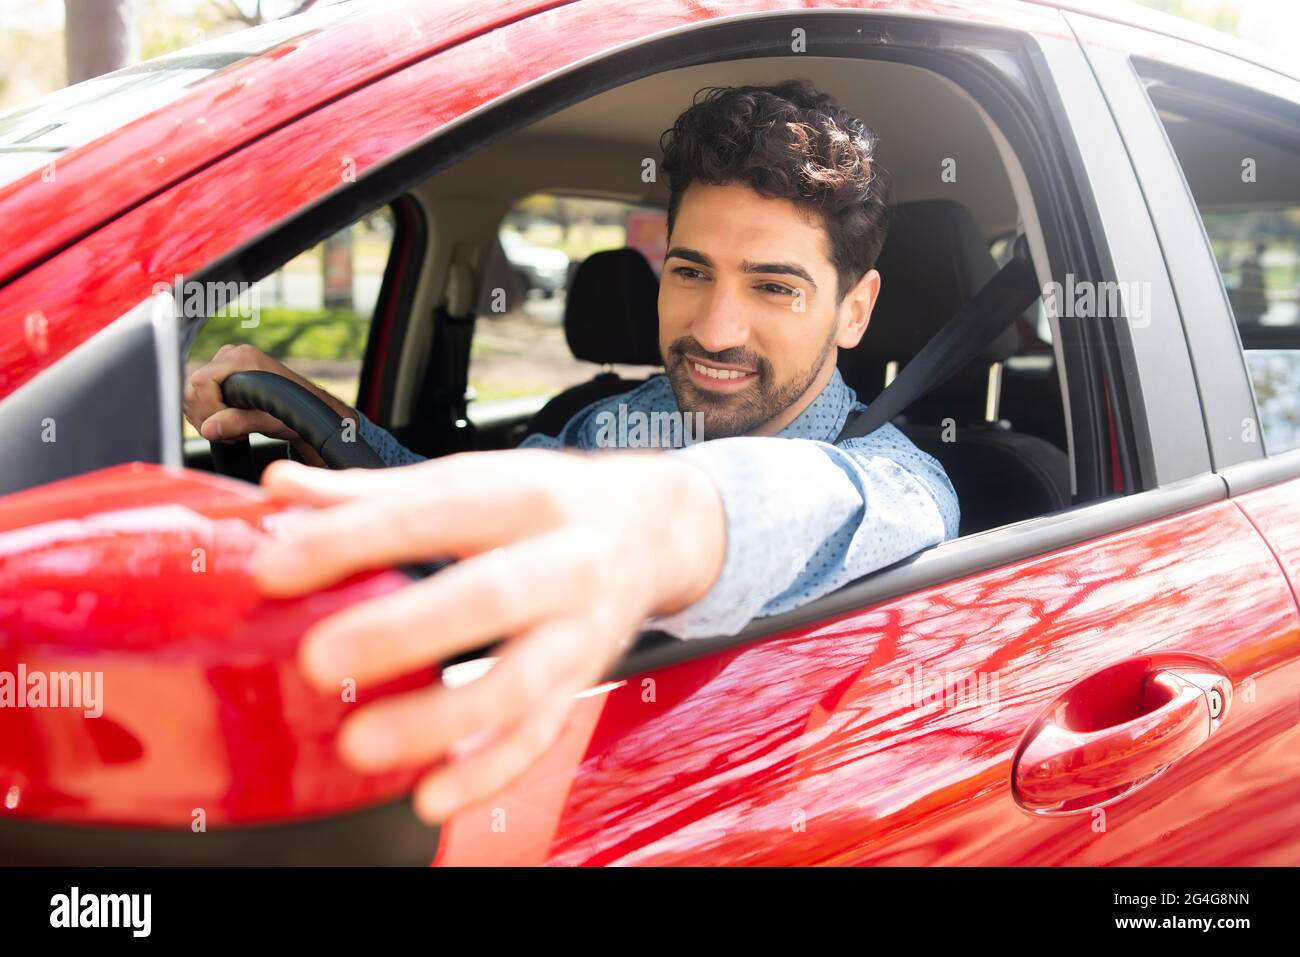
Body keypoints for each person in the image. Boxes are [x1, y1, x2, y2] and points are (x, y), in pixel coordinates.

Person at [184, 79, 959, 823]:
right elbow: (461, 510)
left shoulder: (902, 483)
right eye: (691, 271)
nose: (716, 329)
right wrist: (316, 415)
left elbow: (821, 504)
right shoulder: (617, 421)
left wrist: (663, 522)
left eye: (773, 287)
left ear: (854, 310)